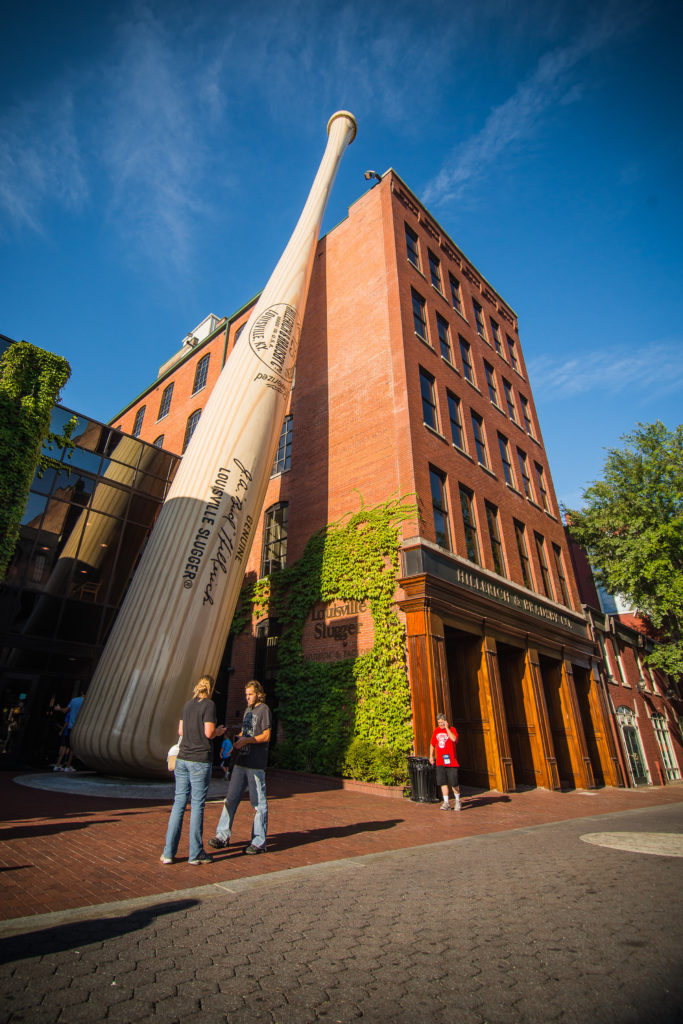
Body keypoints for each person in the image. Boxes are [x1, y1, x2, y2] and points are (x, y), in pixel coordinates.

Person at [160, 675, 226, 865]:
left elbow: (181, 731)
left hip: (182, 759)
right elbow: (208, 733)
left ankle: (168, 852)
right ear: (211, 689)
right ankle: (195, 853)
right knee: (197, 805)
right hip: (199, 759)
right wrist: (218, 732)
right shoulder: (209, 705)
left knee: (179, 803)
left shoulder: (187, 705)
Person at [209, 680, 271, 855]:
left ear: (258, 694)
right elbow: (246, 731)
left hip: (255, 764)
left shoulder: (264, 710)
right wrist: (238, 738)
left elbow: (266, 735)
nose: (247, 698)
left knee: (258, 803)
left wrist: (247, 740)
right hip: (241, 761)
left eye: (250, 694)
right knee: (230, 799)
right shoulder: (247, 710)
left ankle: (259, 842)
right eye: (246, 695)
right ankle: (222, 836)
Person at [429, 711, 462, 811]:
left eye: (442, 723)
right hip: (440, 761)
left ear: (446, 722)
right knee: (443, 782)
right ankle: (446, 802)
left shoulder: (452, 730)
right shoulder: (436, 731)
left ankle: (457, 800)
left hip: (451, 761)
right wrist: (431, 756)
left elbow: (454, 739)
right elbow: (432, 744)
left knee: (454, 782)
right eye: (439, 723)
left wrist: (447, 728)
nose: (441, 725)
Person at [53, 692, 85, 771]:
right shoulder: (87, 701)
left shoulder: (74, 700)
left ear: (81, 693)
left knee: (65, 746)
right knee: (72, 748)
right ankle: (67, 766)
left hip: (70, 727)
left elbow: (65, 711)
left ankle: (57, 765)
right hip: (78, 728)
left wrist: (59, 708)